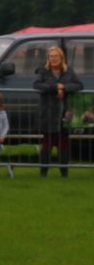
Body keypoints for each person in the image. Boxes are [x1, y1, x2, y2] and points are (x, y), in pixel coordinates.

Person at [33, 46, 81, 177]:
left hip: (64, 113)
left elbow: (78, 85)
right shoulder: (43, 71)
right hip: (48, 113)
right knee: (47, 143)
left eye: (56, 56)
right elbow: (37, 85)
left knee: (63, 143)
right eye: (51, 56)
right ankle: (43, 173)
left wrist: (64, 87)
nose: (53, 59)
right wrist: (55, 87)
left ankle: (64, 173)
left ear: (61, 58)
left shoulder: (69, 71)